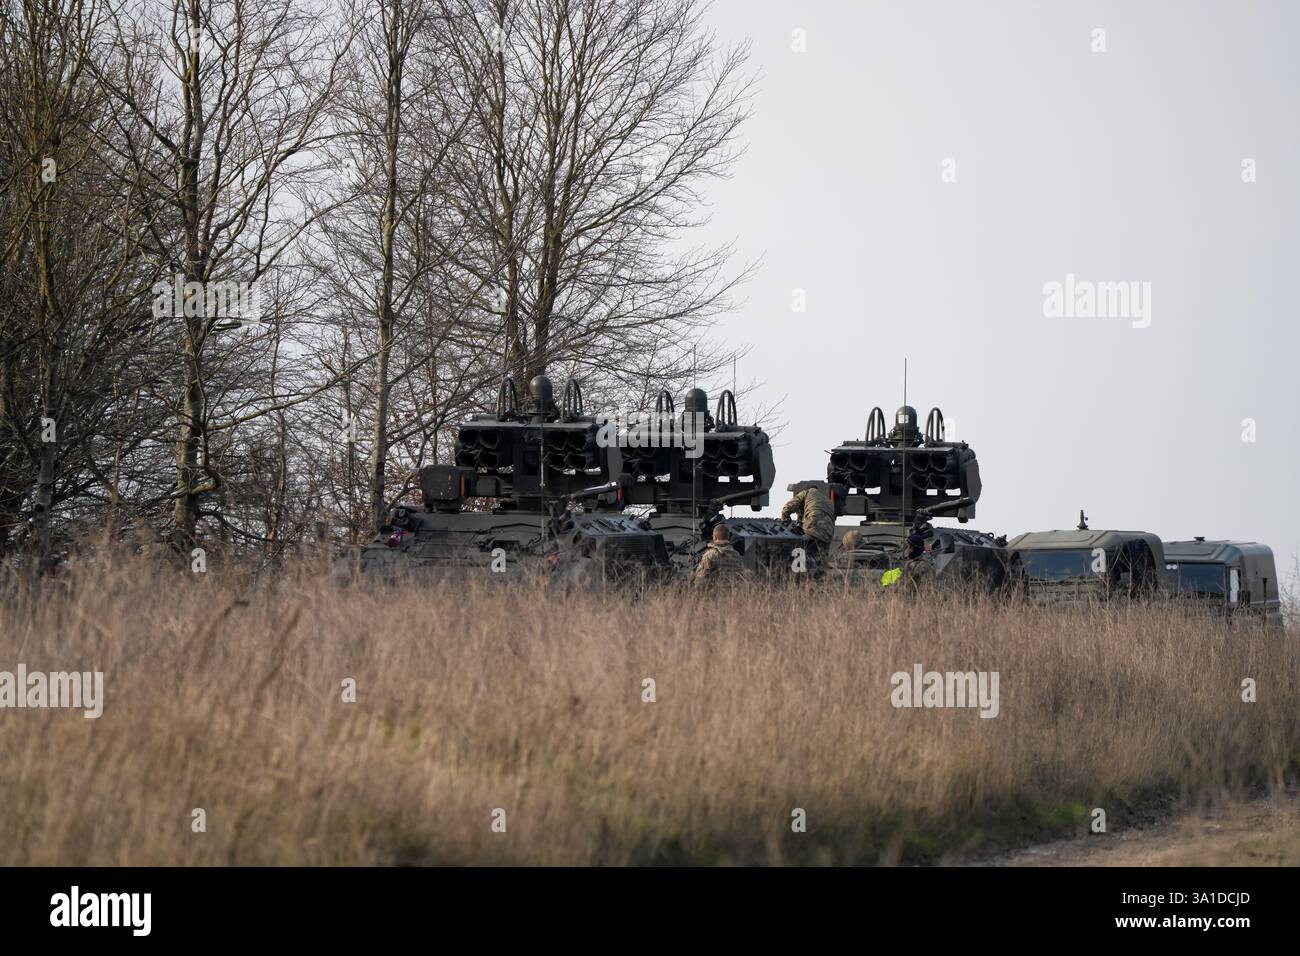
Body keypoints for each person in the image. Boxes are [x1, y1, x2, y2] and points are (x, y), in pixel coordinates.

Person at [780, 484, 835, 558]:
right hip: (828, 531)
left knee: (805, 553)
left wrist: (785, 519)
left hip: (814, 525)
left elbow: (789, 506)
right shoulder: (826, 499)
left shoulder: (806, 492)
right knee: (822, 558)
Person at [691, 523, 745, 587]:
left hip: (714, 594)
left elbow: (700, 581)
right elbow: (741, 578)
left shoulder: (711, 554)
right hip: (731, 595)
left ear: (715, 537)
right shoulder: (737, 556)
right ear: (728, 537)